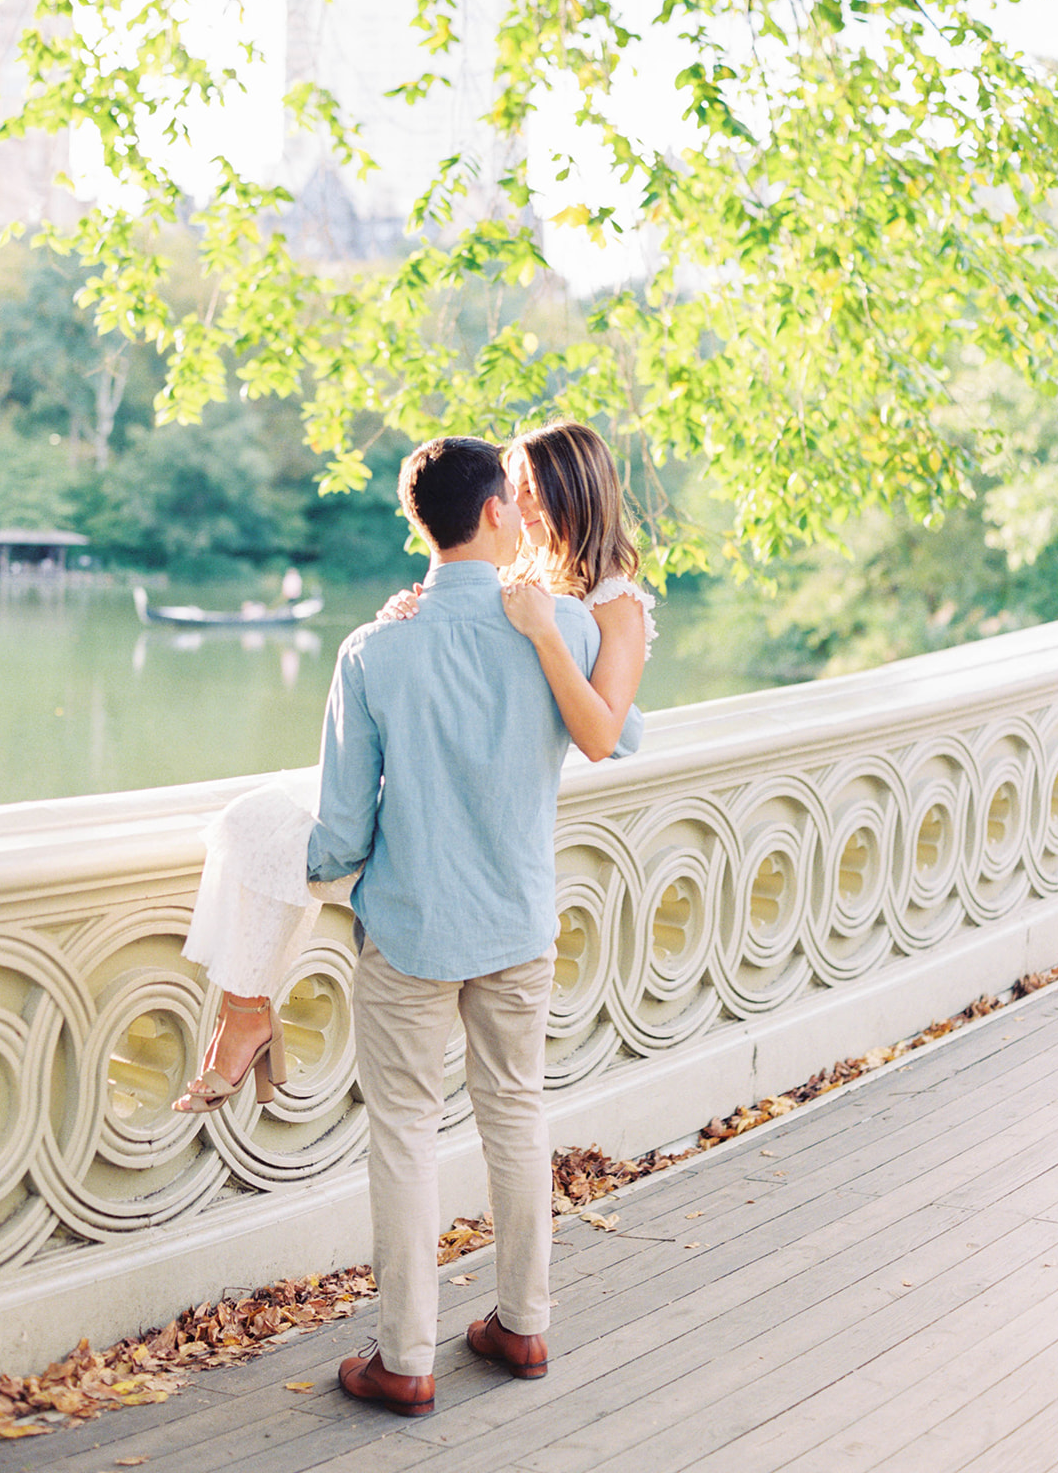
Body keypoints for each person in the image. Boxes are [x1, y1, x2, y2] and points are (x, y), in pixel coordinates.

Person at [306, 434, 640, 1416]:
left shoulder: (374, 646)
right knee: (516, 1114)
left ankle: (404, 1360)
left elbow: (339, 829)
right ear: (497, 510)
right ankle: (522, 1324)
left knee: (407, 1136)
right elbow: (616, 731)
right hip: (517, 923)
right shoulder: (569, 630)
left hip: (410, 931)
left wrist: (290, 873)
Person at [381, 420, 656, 761]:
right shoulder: (509, 579)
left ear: (574, 490)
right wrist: (420, 609)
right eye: (511, 491)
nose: (516, 504)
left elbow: (603, 740)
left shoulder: (616, 602)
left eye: (530, 490)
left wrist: (545, 634)